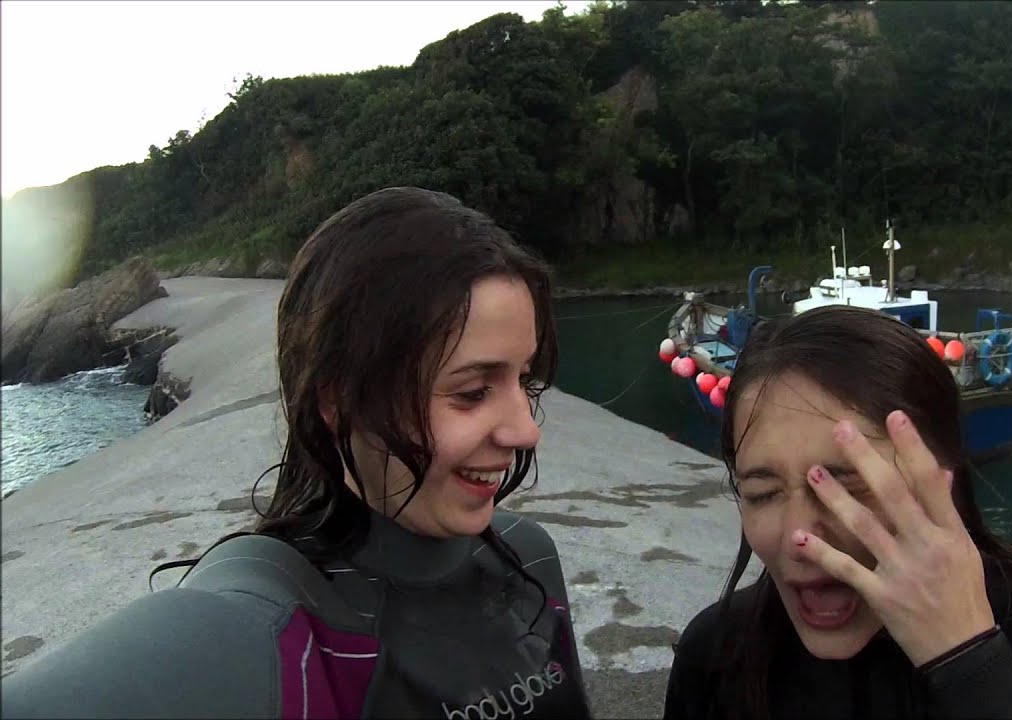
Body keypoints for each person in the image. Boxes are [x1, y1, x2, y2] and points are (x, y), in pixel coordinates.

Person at [2, 188, 594, 718]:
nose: (525, 431)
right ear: (339, 402)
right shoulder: (264, 618)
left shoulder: (527, 558)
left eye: (527, 381)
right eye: (472, 392)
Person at [663, 305, 1012, 719]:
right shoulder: (715, 656)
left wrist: (968, 661)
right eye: (762, 493)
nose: (799, 538)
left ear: (942, 477)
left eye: (847, 485)